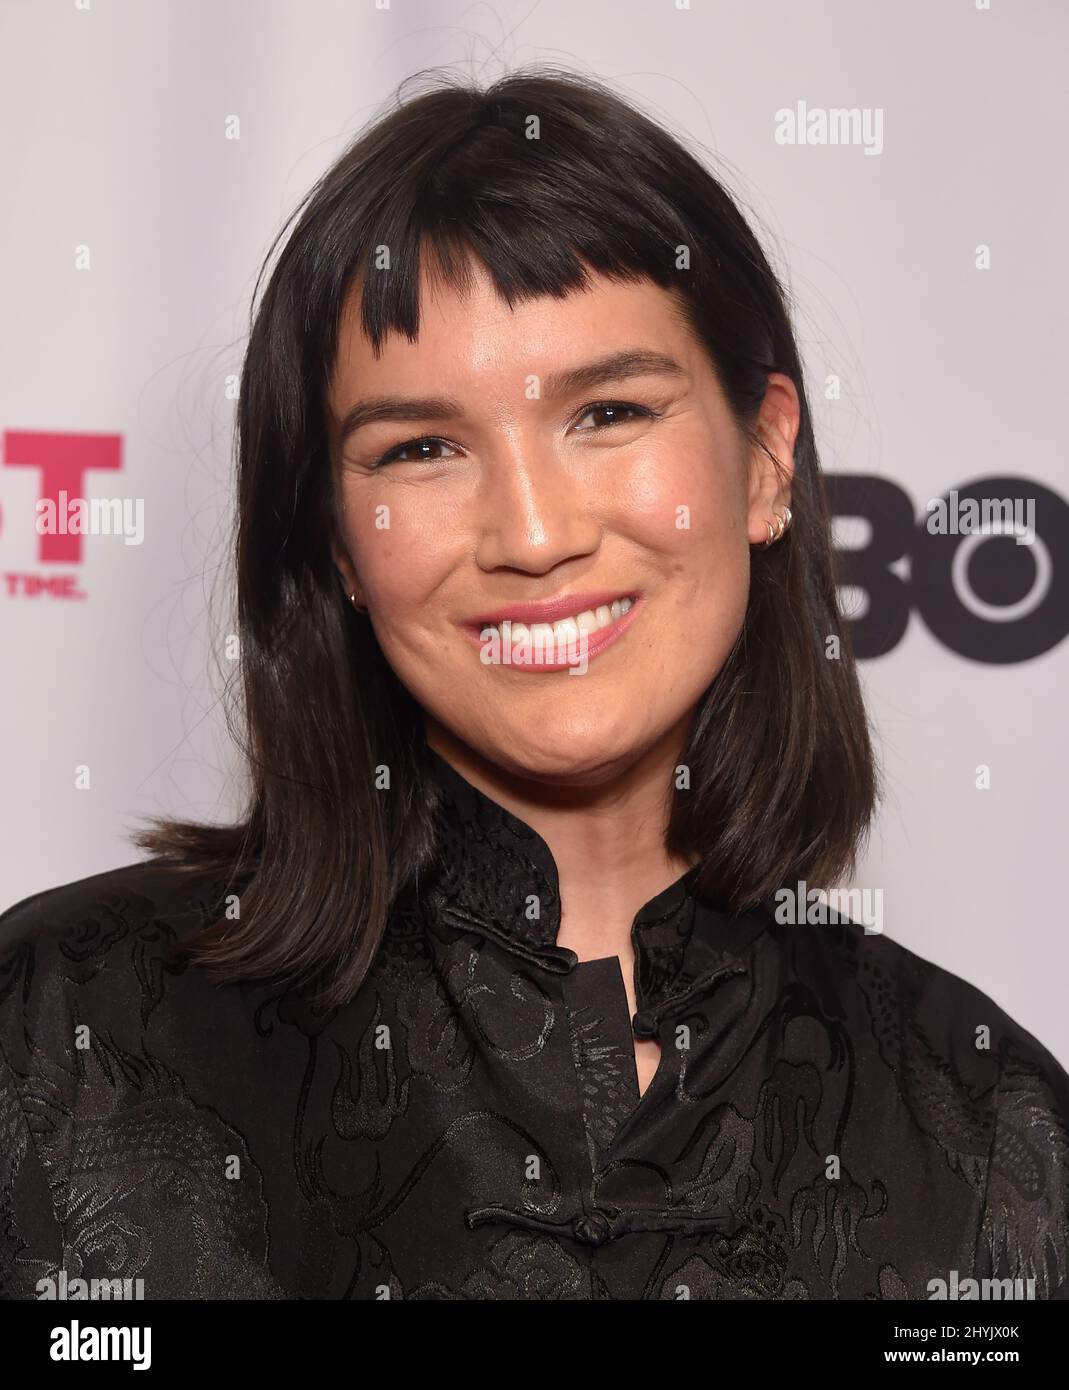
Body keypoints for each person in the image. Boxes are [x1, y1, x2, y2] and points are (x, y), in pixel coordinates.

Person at [2, 68, 1067, 1302]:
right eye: (423, 447)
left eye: (607, 411)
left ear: (766, 457)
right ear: (341, 539)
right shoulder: (60, 1035)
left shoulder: (991, 1134)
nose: (531, 530)